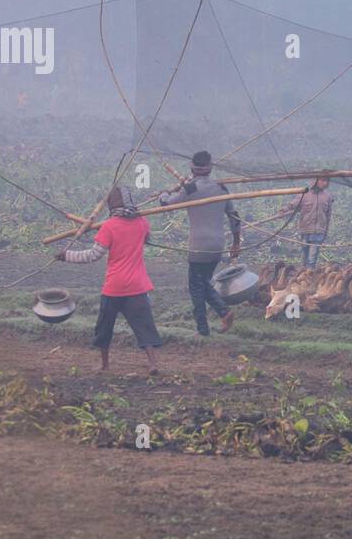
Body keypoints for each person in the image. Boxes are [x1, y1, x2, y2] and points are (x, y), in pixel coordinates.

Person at [56, 185, 162, 375]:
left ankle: (105, 365)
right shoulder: (142, 223)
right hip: (138, 286)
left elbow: (92, 255)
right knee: (144, 325)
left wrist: (67, 256)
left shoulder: (109, 226)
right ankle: (153, 364)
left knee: (105, 327)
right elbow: (147, 238)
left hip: (114, 287)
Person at [158, 151, 242, 337]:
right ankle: (223, 312)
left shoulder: (190, 188)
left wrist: (165, 193)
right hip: (217, 245)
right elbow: (235, 217)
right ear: (210, 169)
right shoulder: (221, 188)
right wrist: (236, 242)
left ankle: (203, 329)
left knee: (196, 287)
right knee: (203, 282)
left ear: (192, 169)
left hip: (198, 245)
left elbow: (166, 204)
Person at [287, 176, 334, 268]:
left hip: (318, 232)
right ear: (315, 181)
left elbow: (328, 216)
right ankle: (302, 274)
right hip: (305, 231)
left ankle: (309, 274)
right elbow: (292, 205)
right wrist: (283, 210)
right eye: (323, 180)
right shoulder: (304, 194)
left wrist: (325, 231)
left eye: (327, 181)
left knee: (312, 258)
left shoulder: (327, 196)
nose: (326, 183)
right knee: (304, 255)